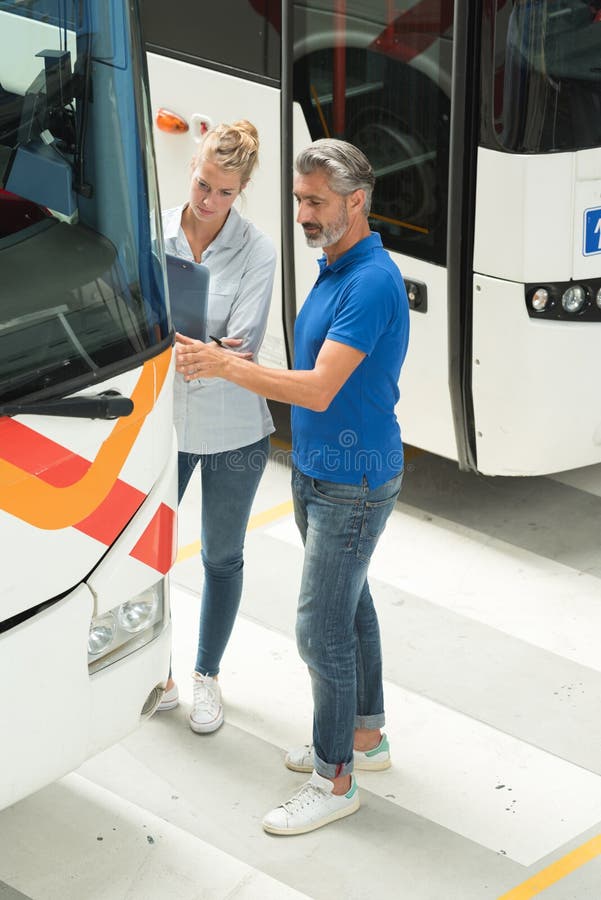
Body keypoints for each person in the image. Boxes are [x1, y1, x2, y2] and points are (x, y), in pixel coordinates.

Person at [175, 139, 409, 835]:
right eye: (300, 199)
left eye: (316, 202)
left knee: (319, 629)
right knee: (351, 605)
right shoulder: (336, 267)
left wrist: (226, 367)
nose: (303, 214)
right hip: (320, 471)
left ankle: (334, 779)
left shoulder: (369, 282)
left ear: (355, 202)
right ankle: (364, 738)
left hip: (351, 481)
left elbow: (318, 387)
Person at [158, 120, 276, 734]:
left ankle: (206, 676)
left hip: (235, 429)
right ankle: (156, 672)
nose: (209, 200)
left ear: (242, 190)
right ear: (193, 169)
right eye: (204, 184)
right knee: (146, 554)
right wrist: (207, 349)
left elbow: (241, 347)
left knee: (222, 557)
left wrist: (199, 348)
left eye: (225, 192)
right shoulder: (155, 234)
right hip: (164, 426)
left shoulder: (258, 251)